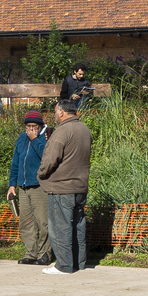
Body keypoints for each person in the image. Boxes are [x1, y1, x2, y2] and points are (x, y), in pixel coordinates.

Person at [35, 99, 93, 275]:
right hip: (80, 186)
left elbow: (51, 160)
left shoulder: (61, 132)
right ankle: (78, 262)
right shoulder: (84, 129)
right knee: (78, 226)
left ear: (61, 112)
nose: (54, 115)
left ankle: (64, 266)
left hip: (61, 187)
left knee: (60, 227)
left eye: (55, 112)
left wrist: (41, 174)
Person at [5, 112, 50, 265]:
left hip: (39, 186)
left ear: (40, 126)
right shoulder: (21, 138)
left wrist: (35, 139)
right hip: (23, 186)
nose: (30, 130)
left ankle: (45, 254)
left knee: (43, 222)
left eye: (34, 127)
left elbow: (46, 156)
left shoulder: (46, 137)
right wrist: (12, 184)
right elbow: (15, 163)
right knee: (26, 223)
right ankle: (31, 253)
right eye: (28, 127)